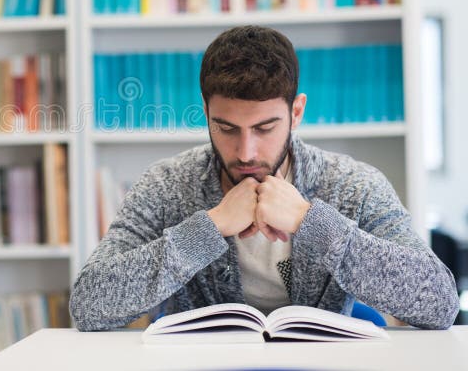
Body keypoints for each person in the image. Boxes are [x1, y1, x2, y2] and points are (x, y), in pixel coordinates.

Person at [69, 25, 459, 331]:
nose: (246, 152)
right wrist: (209, 227)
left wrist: (312, 223)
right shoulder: (166, 186)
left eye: (265, 128)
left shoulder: (352, 185)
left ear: (297, 112)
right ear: (206, 113)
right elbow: (88, 304)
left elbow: (439, 302)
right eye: (226, 128)